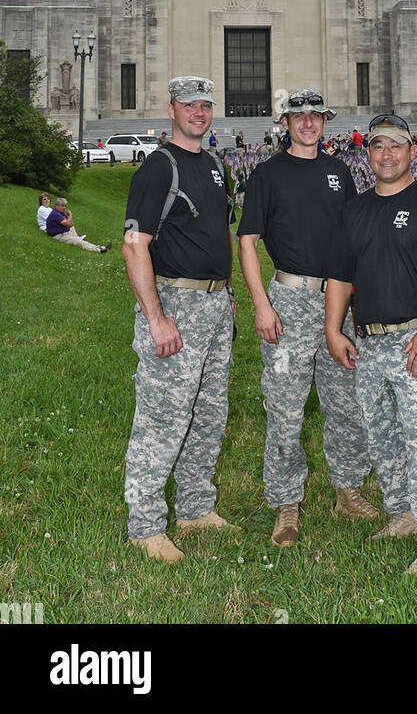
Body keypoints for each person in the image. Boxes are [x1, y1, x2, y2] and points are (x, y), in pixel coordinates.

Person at [325, 114, 417, 574]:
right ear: (368, 154)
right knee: (382, 436)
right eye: (377, 146)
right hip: (368, 342)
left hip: (415, 340)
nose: (386, 154)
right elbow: (340, 276)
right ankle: (403, 513)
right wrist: (334, 330)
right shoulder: (355, 211)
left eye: (396, 146)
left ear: (413, 152)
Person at [237, 89, 375, 549]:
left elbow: (354, 236)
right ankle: (286, 502)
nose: (309, 123)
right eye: (299, 117)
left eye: (316, 116)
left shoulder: (339, 171)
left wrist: (357, 298)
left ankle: (347, 488)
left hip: (337, 298)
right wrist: (261, 303)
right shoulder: (267, 175)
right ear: (285, 123)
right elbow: (248, 241)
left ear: (325, 122)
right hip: (289, 300)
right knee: (284, 406)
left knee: (345, 401)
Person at [122, 76, 235, 563]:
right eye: (189, 104)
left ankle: (194, 507)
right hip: (175, 306)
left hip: (214, 307)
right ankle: (145, 524)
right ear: (171, 109)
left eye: (205, 104)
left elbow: (219, 231)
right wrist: (156, 318)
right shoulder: (158, 167)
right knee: (162, 418)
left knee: (208, 414)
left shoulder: (212, 165)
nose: (198, 111)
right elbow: (134, 245)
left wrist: (226, 292)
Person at [44, 197, 111, 253]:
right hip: (58, 235)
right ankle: (99, 250)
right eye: (62, 205)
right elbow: (67, 223)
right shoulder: (55, 214)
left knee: (81, 241)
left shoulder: (61, 213)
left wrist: (69, 220)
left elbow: (71, 224)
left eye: (65, 206)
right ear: (56, 206)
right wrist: (70, 215)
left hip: (65, 233)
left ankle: (101, 247)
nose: (64, 207)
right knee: (79, 242)